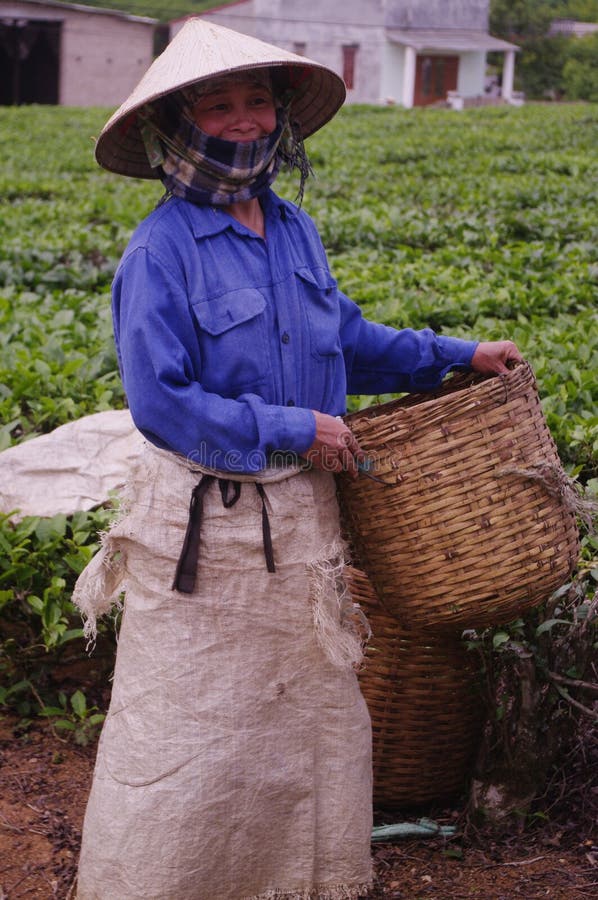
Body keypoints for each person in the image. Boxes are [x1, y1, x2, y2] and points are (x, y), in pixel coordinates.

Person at [73, 18, 523, 900]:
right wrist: (288, 426)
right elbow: (162, 404)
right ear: (181, 125)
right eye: (219, 104)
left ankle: (294, 883)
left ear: (279, 117)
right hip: (210, 538)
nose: (243, 119)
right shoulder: (159, 254)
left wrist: (461, 353)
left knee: (304, 729)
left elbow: (344, 340)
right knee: (198, 735)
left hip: (303, 531)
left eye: (256, 101)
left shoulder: (293, 229)